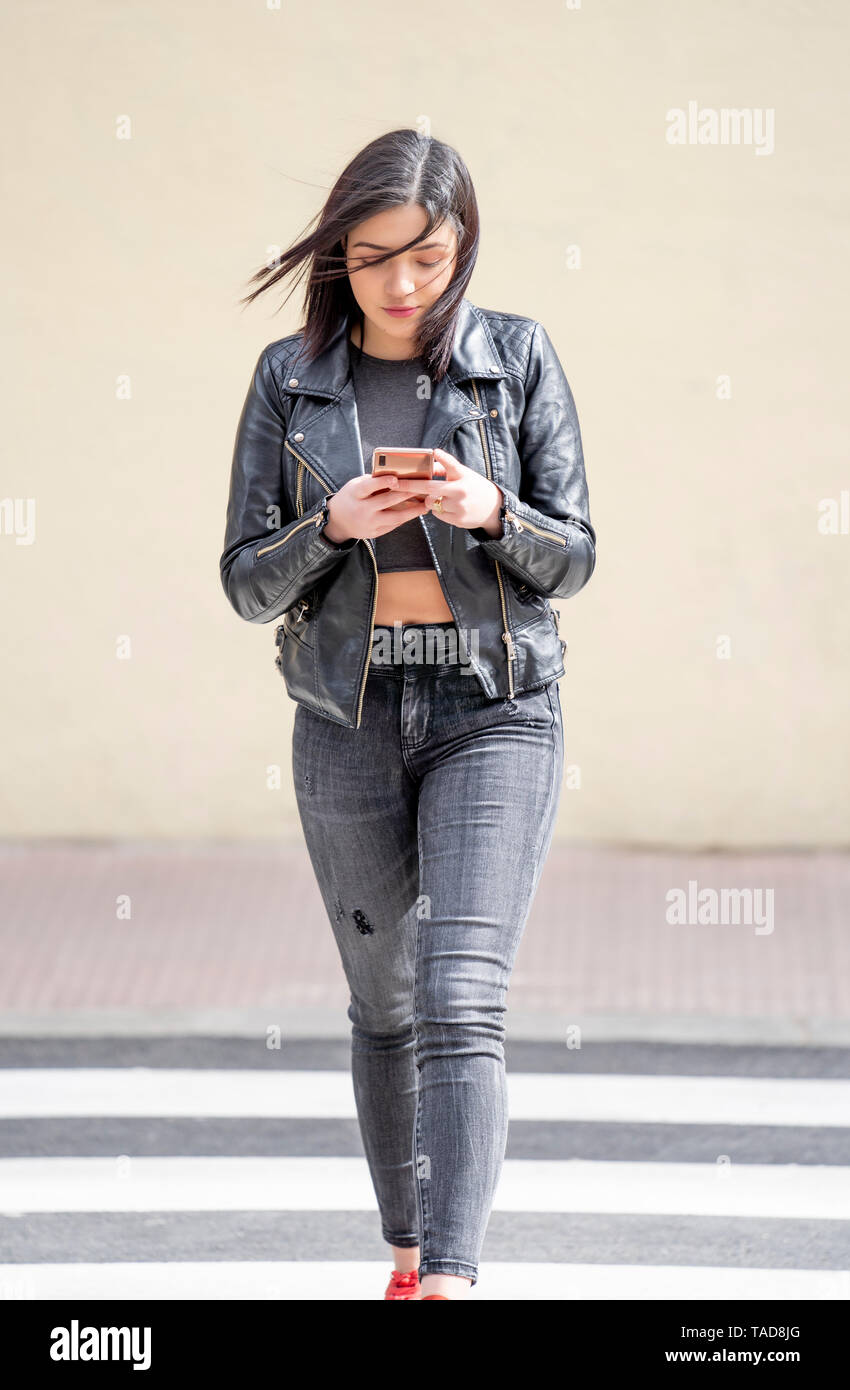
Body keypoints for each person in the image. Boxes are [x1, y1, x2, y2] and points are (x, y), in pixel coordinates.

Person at [220, 128, 597, 1299]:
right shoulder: (291, 379)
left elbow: (574, 558)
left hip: (495, 707)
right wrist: (331, 528)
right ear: (337, 255)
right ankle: (402, 1252)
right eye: (375, 258)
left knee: (459, 993)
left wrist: (493, 510)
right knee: (383, 1000)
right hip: (348, 711)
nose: (402, 285)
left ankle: (451, 1278)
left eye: (428, 259)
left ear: (462, 248)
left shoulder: (519, 358)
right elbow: (243, 579)